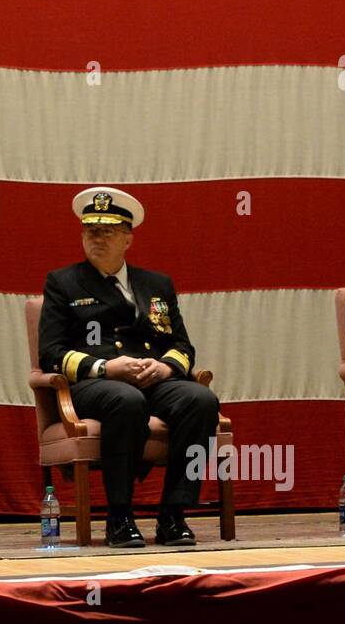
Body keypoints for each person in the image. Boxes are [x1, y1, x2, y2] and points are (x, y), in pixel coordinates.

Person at [38, 187, 220, 547]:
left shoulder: (156, 284)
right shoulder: (64, 283)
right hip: (97, 384)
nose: (97, 239)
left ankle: (174, 514)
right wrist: (106, 367)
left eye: (107, 232)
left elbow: (182, 346)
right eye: (91, 231)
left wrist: (166, 367)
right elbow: (52, 353)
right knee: (126, 401)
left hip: (153, 378)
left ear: (127, 238)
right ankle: (119, 517)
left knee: (201, 401)